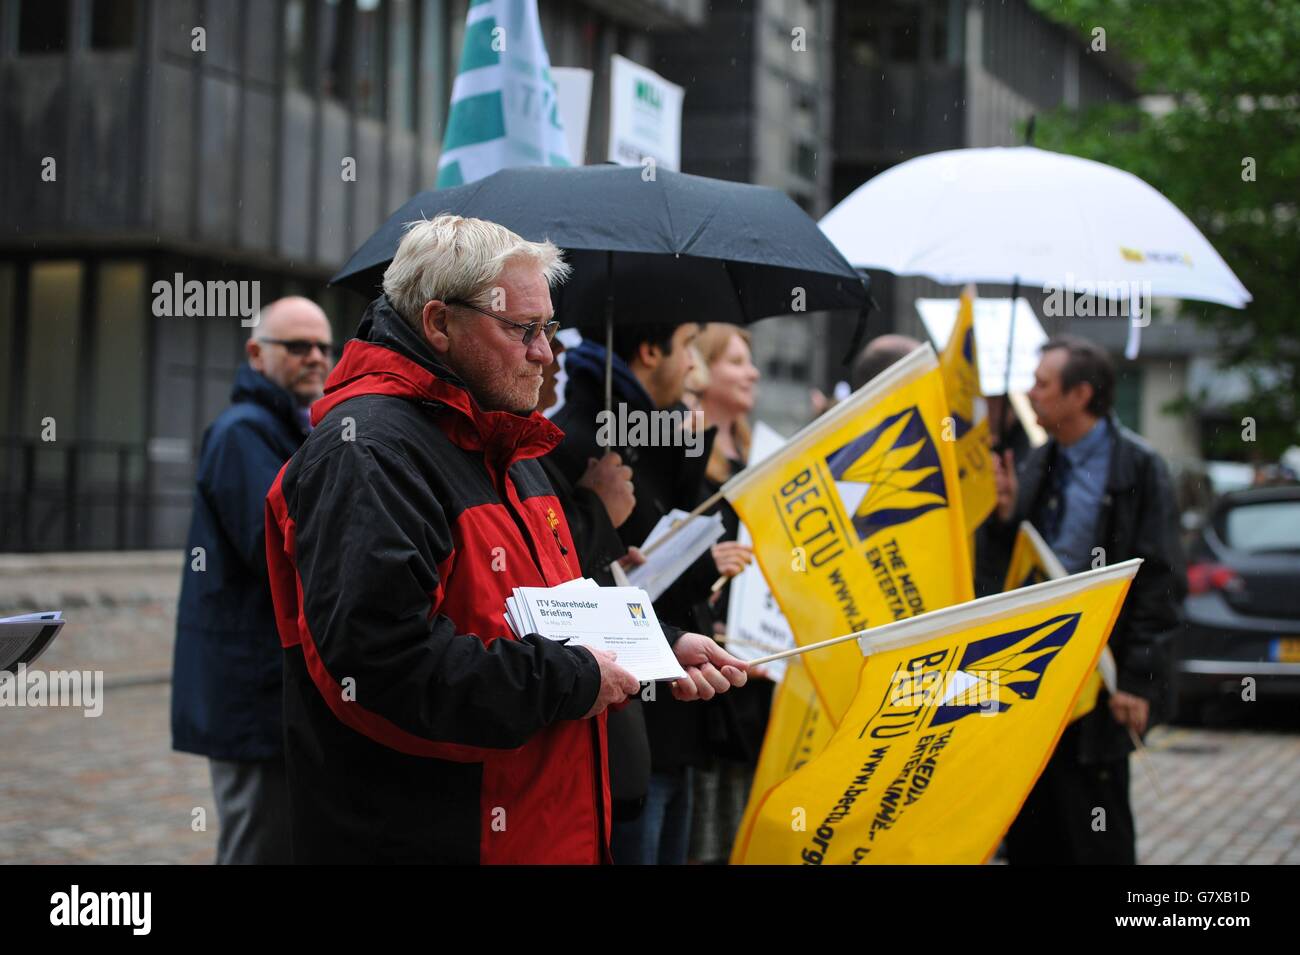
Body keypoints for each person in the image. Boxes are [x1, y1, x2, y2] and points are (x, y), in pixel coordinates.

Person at [264, 214, 748, 864]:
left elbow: (564, 604)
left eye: (548, 328)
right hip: (439, 836)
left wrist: (656, 647)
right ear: (439, 323)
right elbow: (381, 663)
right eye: (523, 330)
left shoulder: (510, 444)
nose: (545, 353)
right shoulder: (369, 452)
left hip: (546, 825)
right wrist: (572, 677)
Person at [550, 321, 751, 864]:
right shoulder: (584, 441)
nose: (693, 366)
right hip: (622, 726)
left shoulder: (646, 437)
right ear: (647, 348)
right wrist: (599, 520)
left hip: (666, 709)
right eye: (688, 347)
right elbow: (552, 592)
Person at [986, 335, 1185, 865]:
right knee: (1034, 825)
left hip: (1101, 678)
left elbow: (1160, 581)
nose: (1029, 393)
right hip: (1033, 673)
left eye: (1042, 384)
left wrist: (1139, 680)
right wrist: (1005, 518)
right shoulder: (1036, 461)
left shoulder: (1138, 467)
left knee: (1096, 828)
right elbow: (1012, 567)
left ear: (1081, 395)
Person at [171, 296, 334, 864]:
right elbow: (276, 548)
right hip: (251, 690)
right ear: (256, 353)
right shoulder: (243, 432)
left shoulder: (292, 426)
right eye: (297, 346)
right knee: (257, 843)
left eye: (322, 346)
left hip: (269, 686)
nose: (315, 357)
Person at [686, 323, 769, 865]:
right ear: (703, 369)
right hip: (708, 675)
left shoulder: (759, 459)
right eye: (737, 361)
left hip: (758, 676)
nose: (753, 372)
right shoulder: (688, 459)